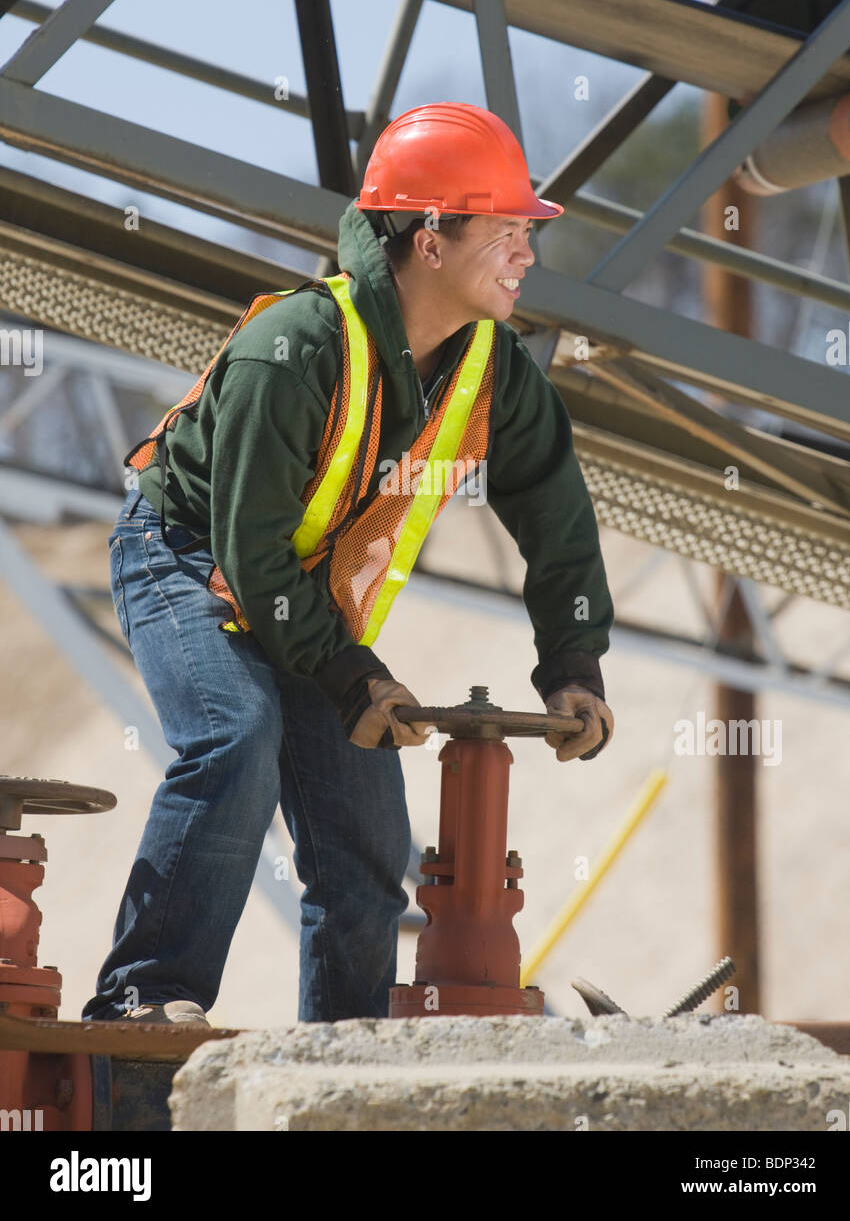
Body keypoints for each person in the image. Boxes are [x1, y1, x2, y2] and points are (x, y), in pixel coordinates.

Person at [81, 101, 614, 1027]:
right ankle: (144, 999)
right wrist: (348, 673)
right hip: (182, 557)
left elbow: (556, 515)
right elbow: (248, 555)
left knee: (366, 837)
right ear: (430, 240)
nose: (529, 253)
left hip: (299, 593)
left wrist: (571, 665)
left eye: (531, 232)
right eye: (507, 230)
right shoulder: (291, 349)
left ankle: (345, 1053)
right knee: (235, 738)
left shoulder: (495, 367)